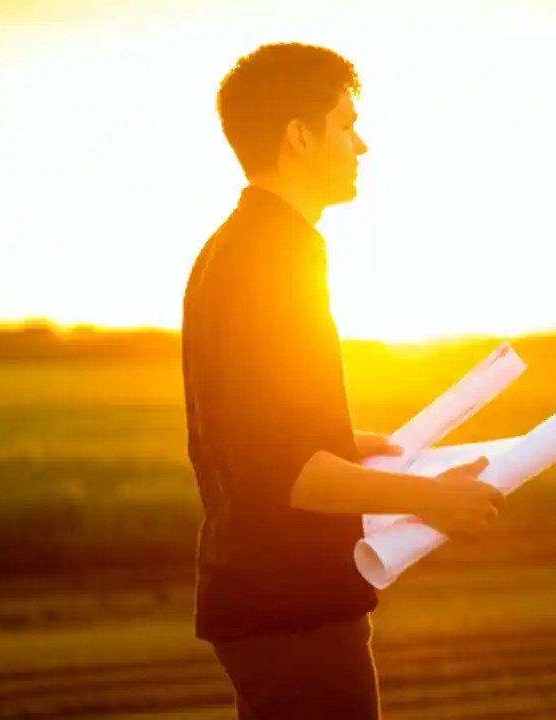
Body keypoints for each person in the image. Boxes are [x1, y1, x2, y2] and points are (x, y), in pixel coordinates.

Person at [181, 43, 507, 719]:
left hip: (265, 602)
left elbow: (247, 437)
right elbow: (286, 472)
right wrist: (433, 499)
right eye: (346, 124)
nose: (361, 145)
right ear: (299, 137)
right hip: (292, 608)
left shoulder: (234, 246)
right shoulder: (276, 257)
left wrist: (338, 439)